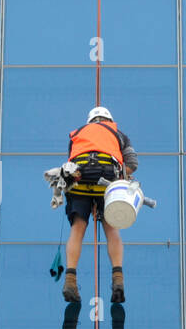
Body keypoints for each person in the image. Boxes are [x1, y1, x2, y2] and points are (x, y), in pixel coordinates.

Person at [55, 106, 137, 304]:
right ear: (109, 119)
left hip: (79, 179)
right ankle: (118, 279)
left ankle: (70, 279)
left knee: (77, 229)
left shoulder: (78, 134)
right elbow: (132, 163)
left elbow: (72, 161)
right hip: (107, 180)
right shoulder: (119, 134)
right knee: (111, 229)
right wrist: (124, 177)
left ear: (91, 120)